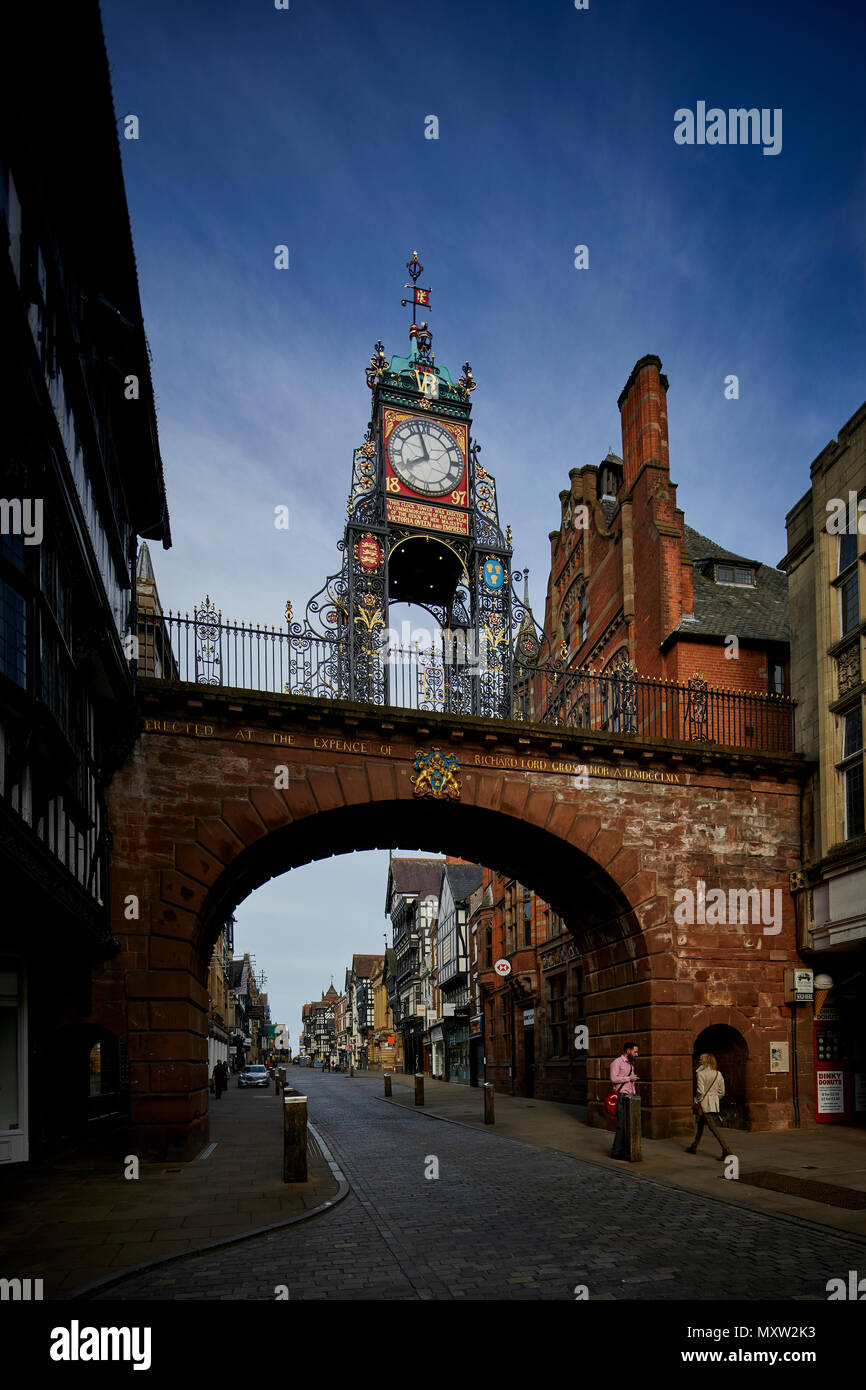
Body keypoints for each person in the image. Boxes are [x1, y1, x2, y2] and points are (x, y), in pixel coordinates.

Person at [686, 1052, 732, 1159]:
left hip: (703, 1103)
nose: (699, 1061)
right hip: (713, 1102)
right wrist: (714, 1099)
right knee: (700, 1125)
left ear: (705, 1062)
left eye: (701, 1059)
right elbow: (722, 1092)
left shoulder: (701, 1074)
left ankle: (726, 1149)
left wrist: (697, 1100)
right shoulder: (718, 1074)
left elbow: (700, 1091)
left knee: (712, 1127)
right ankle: (694, 1146)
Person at [609, 1042, 639, 1159]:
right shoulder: (617, 1062)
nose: (637, 1054)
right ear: (628, 1051)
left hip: (630, 1098)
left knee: (629, 1125)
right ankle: (615, 1152)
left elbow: (631, 1083)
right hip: (621, 1097)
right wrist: (628, 1078)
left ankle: (626, 1151)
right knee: (621, 1125)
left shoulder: (631, 1065)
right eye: (635, 1051)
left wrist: (634, 1094)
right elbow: (613, 1078)